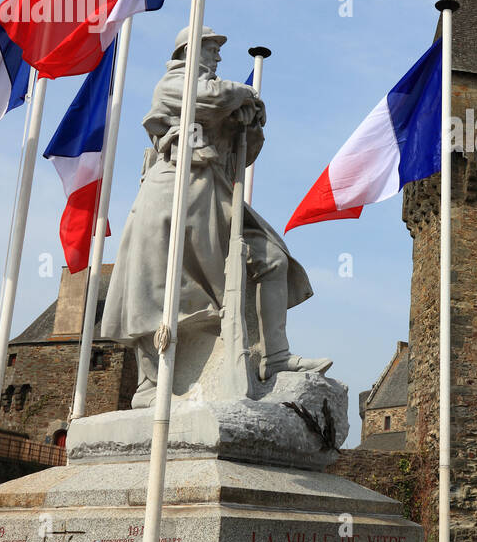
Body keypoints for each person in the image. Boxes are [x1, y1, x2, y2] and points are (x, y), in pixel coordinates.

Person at [101, 25, 330, 408]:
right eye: (211, 49)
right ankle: (150, 383)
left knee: (271, 259)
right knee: (155, 287)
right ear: (188, 52)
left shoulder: (214, 96)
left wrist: (252, 120)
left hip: (213, 190)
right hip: (172, 194)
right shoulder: (174, 85)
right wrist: (246, 93)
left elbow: (241, 155)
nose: (218, 57)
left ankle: (275, 356)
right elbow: (209, 96)